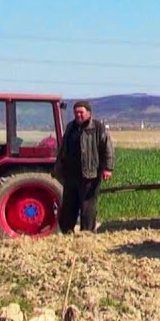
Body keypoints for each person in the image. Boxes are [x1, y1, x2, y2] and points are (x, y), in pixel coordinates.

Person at [54, 100, 114, 233]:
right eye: (76, 112)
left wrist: (108, 168)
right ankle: (67, 232)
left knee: (87, 205)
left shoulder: (98, 128)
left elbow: (108, 149)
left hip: (90, 173)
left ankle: (86, 233)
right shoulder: (70, 126)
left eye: (81, 112)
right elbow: (63, 148)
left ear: (89, 113)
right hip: (71, 173)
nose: (78, 115)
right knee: (69, 204)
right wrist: (59, 167)